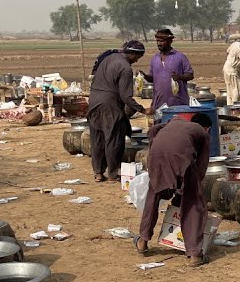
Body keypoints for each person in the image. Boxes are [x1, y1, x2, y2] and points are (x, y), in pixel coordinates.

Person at [134, 113, 213, 266]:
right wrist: (191, 189)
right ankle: (195, 254)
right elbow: (201, 168)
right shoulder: (203, 134)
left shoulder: (174, 121)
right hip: (180, 157)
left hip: (156, 155)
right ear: (208, 129)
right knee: (193, 202)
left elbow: (152, 130)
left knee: (154, 194)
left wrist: (154, 146)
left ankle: (142, 240)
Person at [87, 39, 146, 183]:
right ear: (132, 54)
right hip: (110, 105)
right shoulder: (125, 68)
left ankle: (98, 173)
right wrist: (143, 109)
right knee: (113, 139)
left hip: (94, 100)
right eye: (137, 57)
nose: (137, 61)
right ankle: (113, 174)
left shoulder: (108, 57)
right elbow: (126, 96)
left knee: (97, 138)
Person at [148, 28, 193, 111]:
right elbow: (152, 79)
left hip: (178, 102)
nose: (159, 43)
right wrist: (144, 76)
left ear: (170, 41)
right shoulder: (154, 59)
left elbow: (190, 75)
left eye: (162, 41)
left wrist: (179, 77)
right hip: (158, 103)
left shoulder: (180, 57)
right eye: (157, 41)